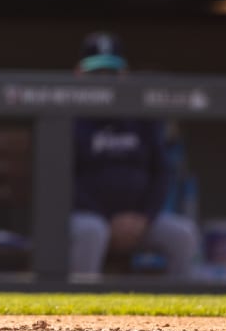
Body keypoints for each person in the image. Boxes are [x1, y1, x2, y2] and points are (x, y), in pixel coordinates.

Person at [71, 32, 198, 278]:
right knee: (91, 231)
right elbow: (62, 181)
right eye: (96, 73)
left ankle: (186, 312)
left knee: (182, 234)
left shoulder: (142, 118)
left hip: (140, 221)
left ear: (124, 74)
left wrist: (144, 216)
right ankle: (77, 310)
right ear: (79, 74)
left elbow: (162, 171)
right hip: (88, 218)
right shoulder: (69, 119)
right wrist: (108, 219)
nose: (104, 80)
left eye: (111, 73)